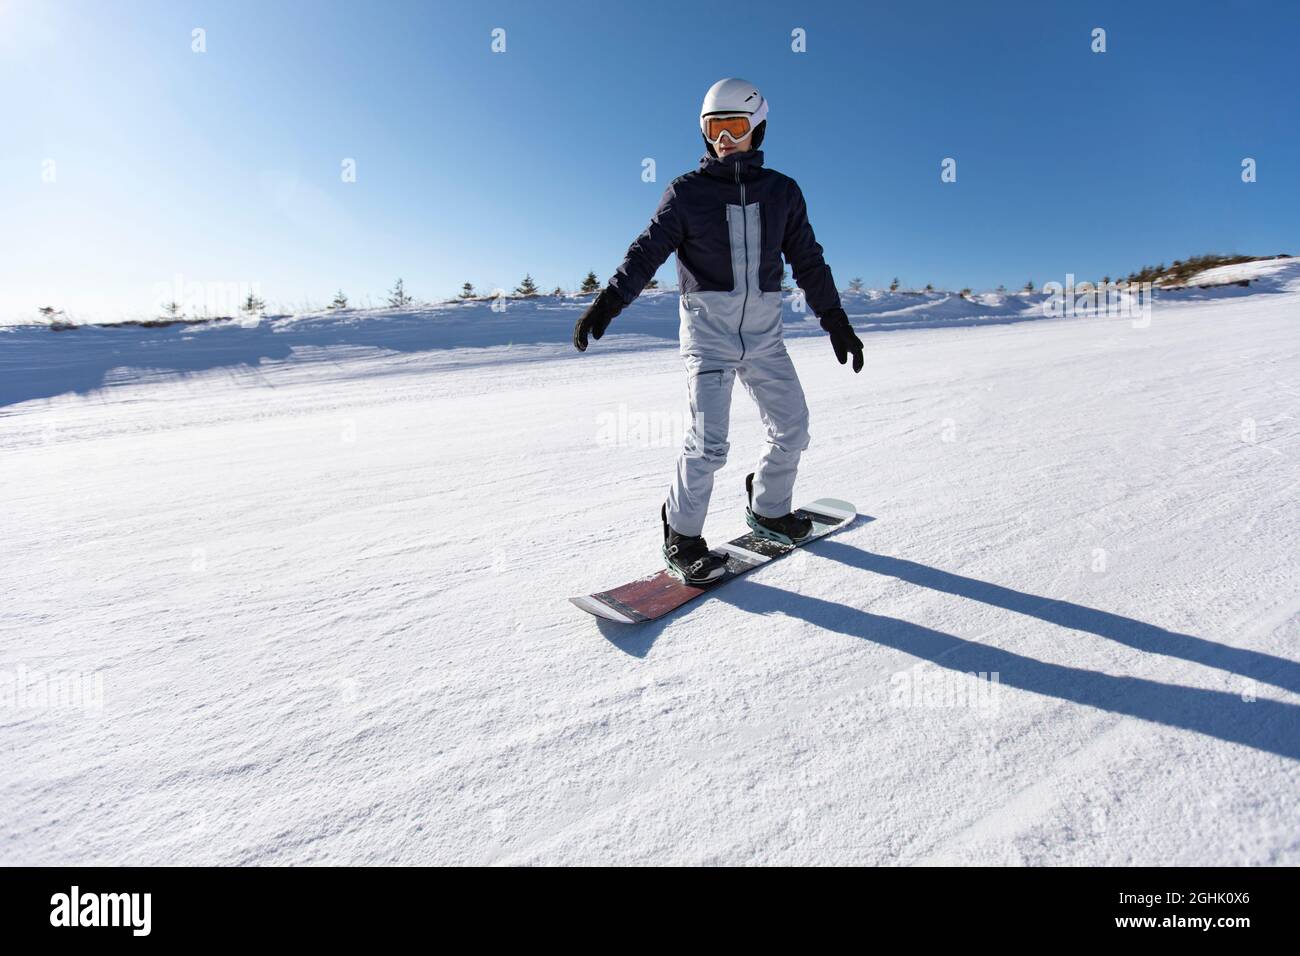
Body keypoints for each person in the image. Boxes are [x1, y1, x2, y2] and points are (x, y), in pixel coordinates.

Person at [573, 78, 863, 586]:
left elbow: (809, 261)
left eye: (734, 126)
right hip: (709, 333)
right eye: (714, 128)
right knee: (709, 442)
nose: (724, 139)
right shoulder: (687, 192)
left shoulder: (783, 192)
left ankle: (769, 508)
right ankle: (682, 535)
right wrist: (609, 301)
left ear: (758, 128)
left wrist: (834, 319)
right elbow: (647, 251)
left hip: (766, 334)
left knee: (793, 426)